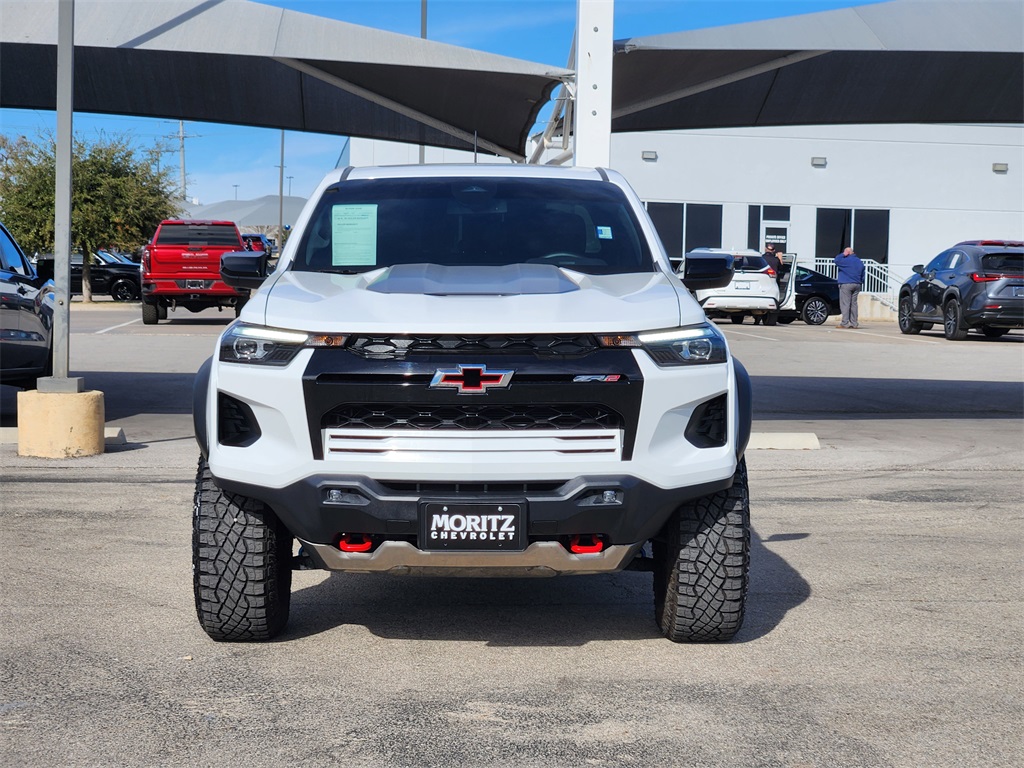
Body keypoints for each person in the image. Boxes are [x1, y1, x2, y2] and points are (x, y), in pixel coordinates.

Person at [834, 246, 865, 328]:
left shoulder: (845, 261)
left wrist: (843, 254)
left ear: (847, 253)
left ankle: (844, 323)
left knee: (845, 304)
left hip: (846, 283)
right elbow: (863, 274)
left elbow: (836, 260)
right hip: (857, 284)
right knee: (854, 304)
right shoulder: (859, 261)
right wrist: (861, 282)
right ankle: (854, 323)